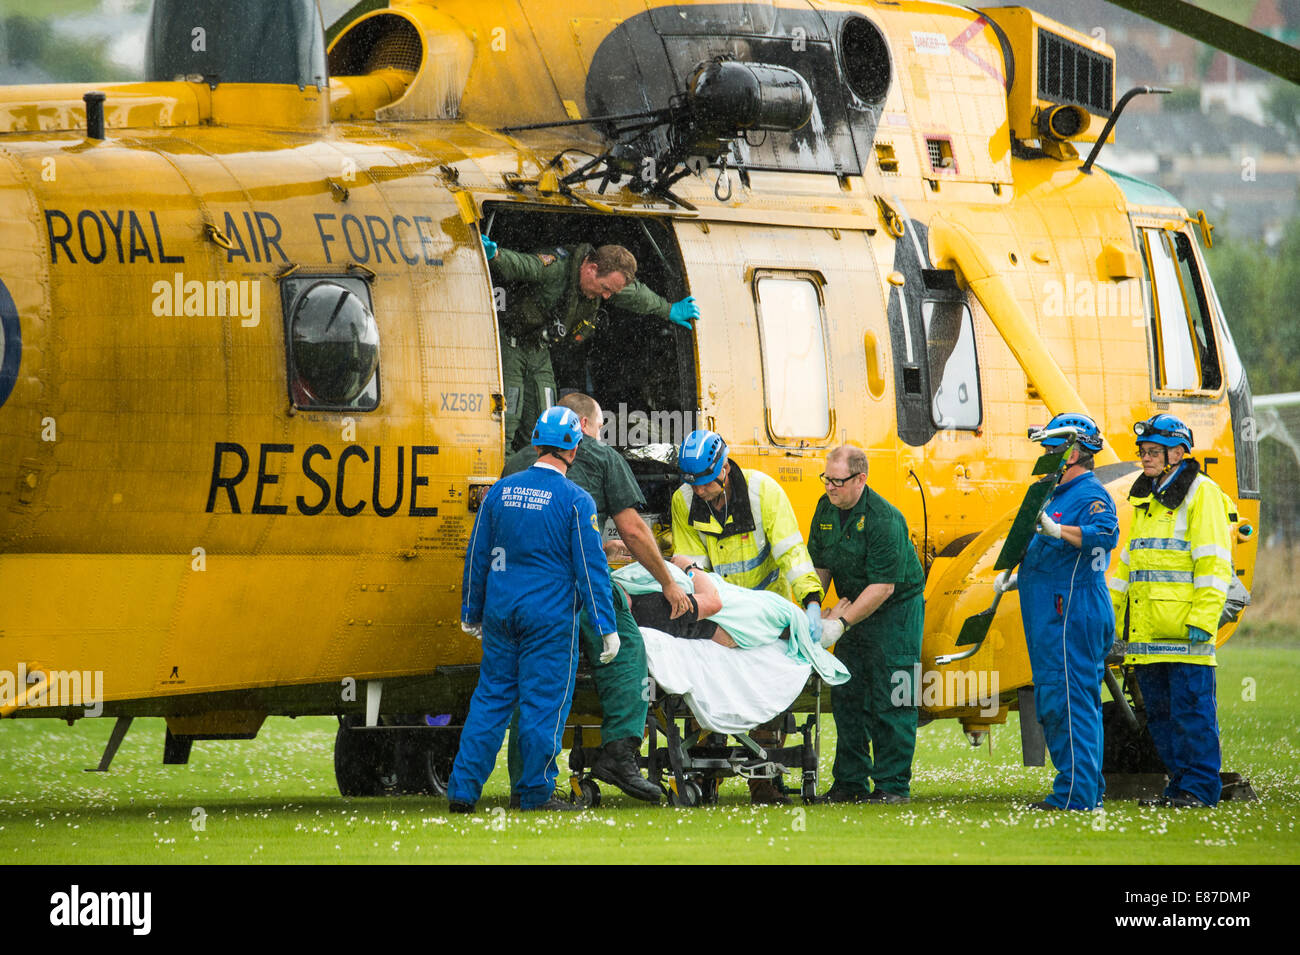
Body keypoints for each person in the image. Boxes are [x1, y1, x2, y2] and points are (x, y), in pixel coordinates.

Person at [501, 393, 687, 804]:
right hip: (582, 590)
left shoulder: (516, 464)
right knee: (626, 652)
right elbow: (635, 530)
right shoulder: (602, 459)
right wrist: (668, 582)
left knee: (531, 685)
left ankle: (527, 786)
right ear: (583, 426)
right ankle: (619, 754)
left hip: (525, 594)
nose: (600, 435)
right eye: (600, 426)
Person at [447, 406, 619, 813]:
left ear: (537, 443)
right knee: (543, 705)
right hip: (549, 621)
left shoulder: (500, 491)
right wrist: (605, 626)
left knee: (489, 702)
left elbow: (478, 556)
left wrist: (472, 612)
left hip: (500, 615)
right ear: (574, 449)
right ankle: (535, 793)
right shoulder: (577, 501)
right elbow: (591, 569)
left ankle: (462, 792)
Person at [672, 429, 825, 803]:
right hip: (720, 611)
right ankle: (703, 773)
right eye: (693, 484)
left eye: (706, 483)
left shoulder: (763, 493)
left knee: (765, 690)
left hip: (765, 610)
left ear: (724, 468)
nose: (700, 491)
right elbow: (693, 567)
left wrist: (810, 601)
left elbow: (791, 552)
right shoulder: (685, 499)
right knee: (705, 684)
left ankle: (763, 782)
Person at [1109, 413, 1233, 809]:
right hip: (1147, 637)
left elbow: (1214, 564)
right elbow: (1129, 566)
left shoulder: (1202, 493)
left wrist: (1202, 618)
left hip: (1185, 633)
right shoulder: (1146, 497)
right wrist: (1110, 621)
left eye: (1154, 452)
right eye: (1143, 451)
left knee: (1192, 715)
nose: (1146, 458)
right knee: (1161, 720)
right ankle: (1178, 787)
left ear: (1177, 453)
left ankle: (1199, 789)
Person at [998, 413, 1119, 811]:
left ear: (1076, 451)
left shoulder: (1089, 493)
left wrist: (1057, 531)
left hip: (1073, 611)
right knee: (1060, 701)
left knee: (1069, 702)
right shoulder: (1054, 493)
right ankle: (1085, 788)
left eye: (1053, 448)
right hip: (1052, 611)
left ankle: (1075, 794)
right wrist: (1021, 577)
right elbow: (1049, 552)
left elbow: (1105, 535)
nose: (1047, 454)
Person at [482, 235, 700, 450]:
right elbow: (524, 265)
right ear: (591, 268)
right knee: (508, 418)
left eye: (611, 292)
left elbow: (635, 295)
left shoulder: (601, 285)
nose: (606, 296)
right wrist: (497, 256)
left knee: (546, 424)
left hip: (539, 350)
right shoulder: (557, 268)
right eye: (605, 288)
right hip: (512, 343)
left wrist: (667, 309)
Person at [807, 445, 924, 805]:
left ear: (861, 479)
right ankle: (850, 782)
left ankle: (892, 785)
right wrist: (812, 604)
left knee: (893, 693)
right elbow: (821, 563)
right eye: (826, 478)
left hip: (894, 611)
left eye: (837, 481)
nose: (830, 486)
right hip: (854, 606)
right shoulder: (826, 508)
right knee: (847, 694)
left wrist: (841, 623)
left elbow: (883, 587)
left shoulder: (884, 518)